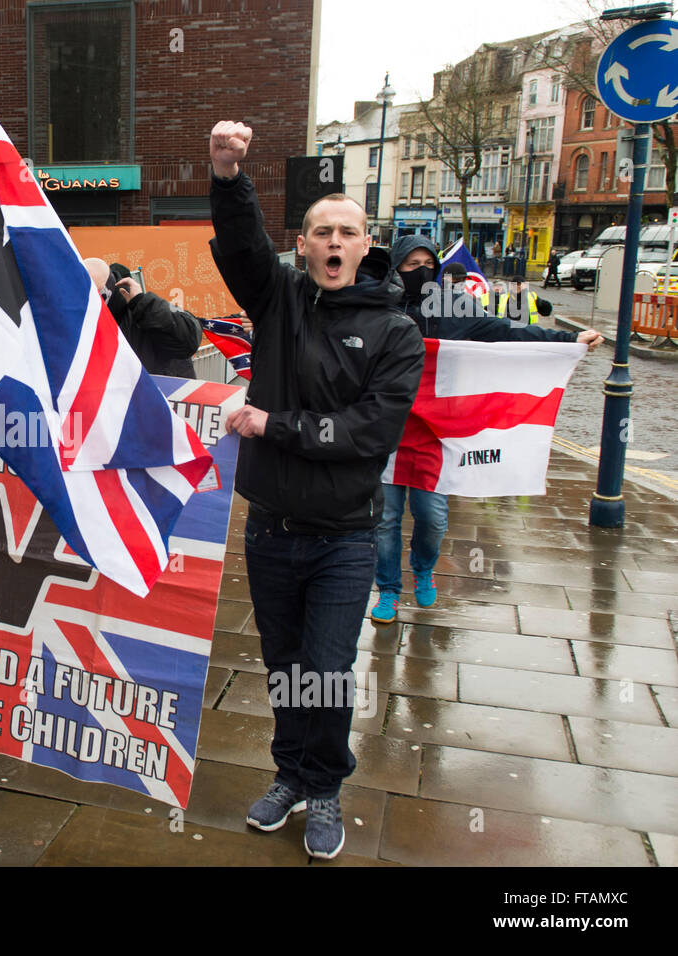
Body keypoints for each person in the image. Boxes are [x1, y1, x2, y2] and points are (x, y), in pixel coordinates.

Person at [208, 121, 425, 860]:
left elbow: (369, 433)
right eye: (320, 232)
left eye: (348, 233)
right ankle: (289, 775)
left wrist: (274, 426)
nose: (334, 243)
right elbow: (239, 249)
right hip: (271, 531)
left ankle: (325, 786)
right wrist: (230, 178)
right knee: (286, 667)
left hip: (344, 538)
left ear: (367, 245)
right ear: (302, 245)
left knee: (327, 672)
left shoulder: (397, 331)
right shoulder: (279, 300)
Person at [371, 236, 603, 624]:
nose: (421, 270)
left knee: (432, 518)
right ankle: (389, 590)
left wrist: (566, 340)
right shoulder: (380, 305)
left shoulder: (455, 306)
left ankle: (424, 569)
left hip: (438, 433)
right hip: (389, 429)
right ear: (396, 267)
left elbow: (506, 334)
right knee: (385, 520)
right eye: (411, 265)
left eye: (428, 263)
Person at [82, 257, 202, 377]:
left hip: (166, 392)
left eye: (94, 295)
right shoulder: (86, 323)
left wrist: (143, 303)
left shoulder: (144, 310)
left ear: (107, 290)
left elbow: (190, 338)